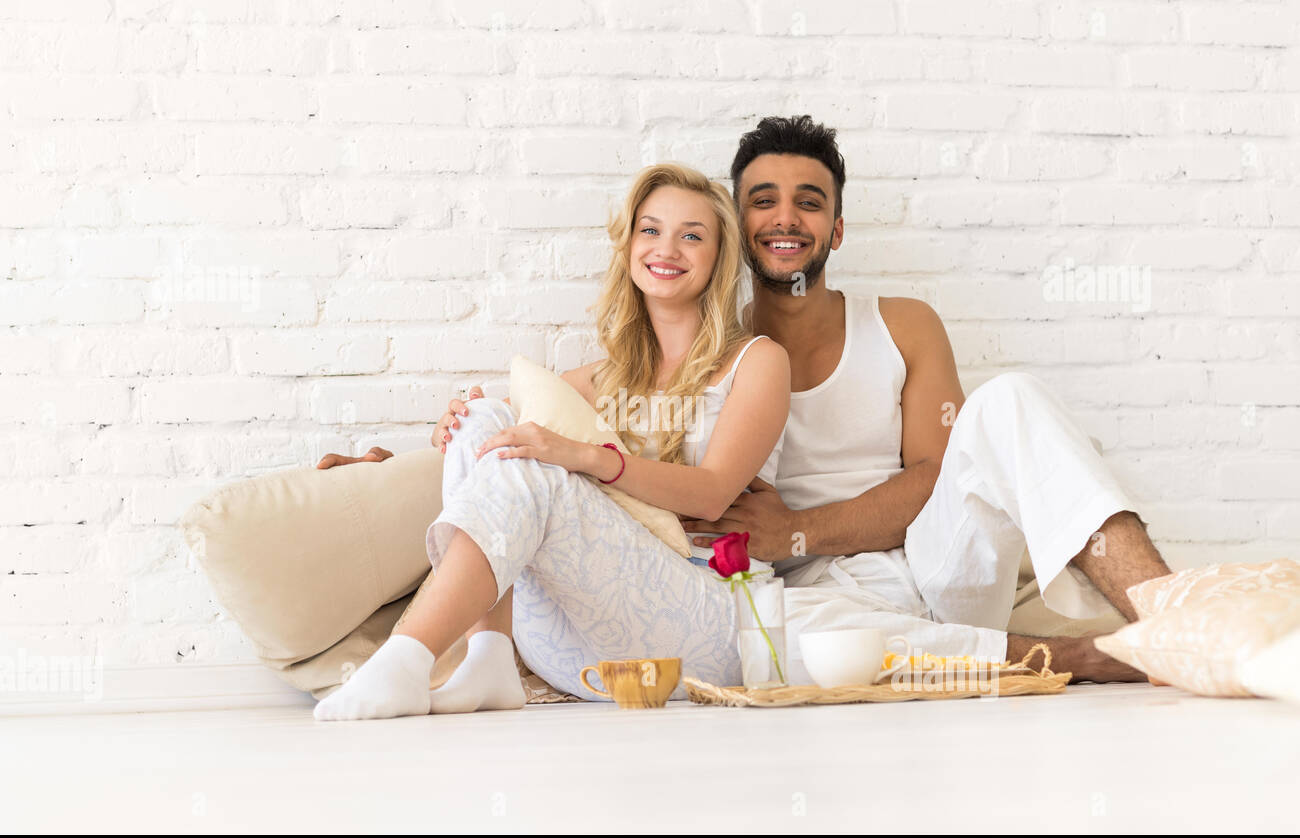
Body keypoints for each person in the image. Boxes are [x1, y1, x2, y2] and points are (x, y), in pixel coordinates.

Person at [678, 115, 1172, 683]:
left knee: (1009, 398)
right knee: (763, 642)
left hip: (931, 569)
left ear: (836, 230)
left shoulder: (902, 324)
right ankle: (1082, 657)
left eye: (809, 203)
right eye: (763, 201)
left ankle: (1176, 621)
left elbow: (939, 474)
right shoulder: (712, 357)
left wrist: (797, 530)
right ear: (737, 225)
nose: (785, 218)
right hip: (814, 603)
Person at [312, 163, 790, 720]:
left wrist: (588, 458)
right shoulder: (594, 382)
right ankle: (488, 659)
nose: (667, 248)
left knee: (531, 457)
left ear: (718, 257)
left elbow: (712, 494)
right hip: (582, 647)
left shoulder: (757, 362)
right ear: (630, 245)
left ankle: (404, 661)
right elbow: (494, 474)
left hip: (709, 627)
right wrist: (401, 458)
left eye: (691, 235)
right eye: (650, 230)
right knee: (484, 419)